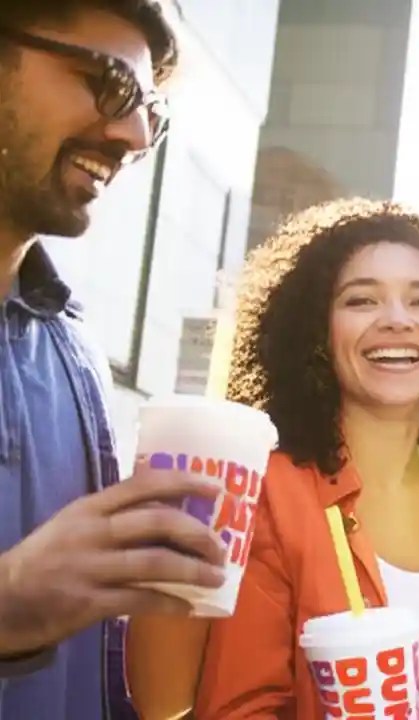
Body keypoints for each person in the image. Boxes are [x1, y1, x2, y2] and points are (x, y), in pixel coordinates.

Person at [125, 198, 419, 719]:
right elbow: (230, 708)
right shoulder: (269, 493)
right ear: (319, 335)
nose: (397, 320)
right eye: (361, 301)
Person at [0, 3, 229, 718]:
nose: (132, 136)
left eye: (150, 114)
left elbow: (88, 674)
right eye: (109, 84)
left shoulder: (73, 354)